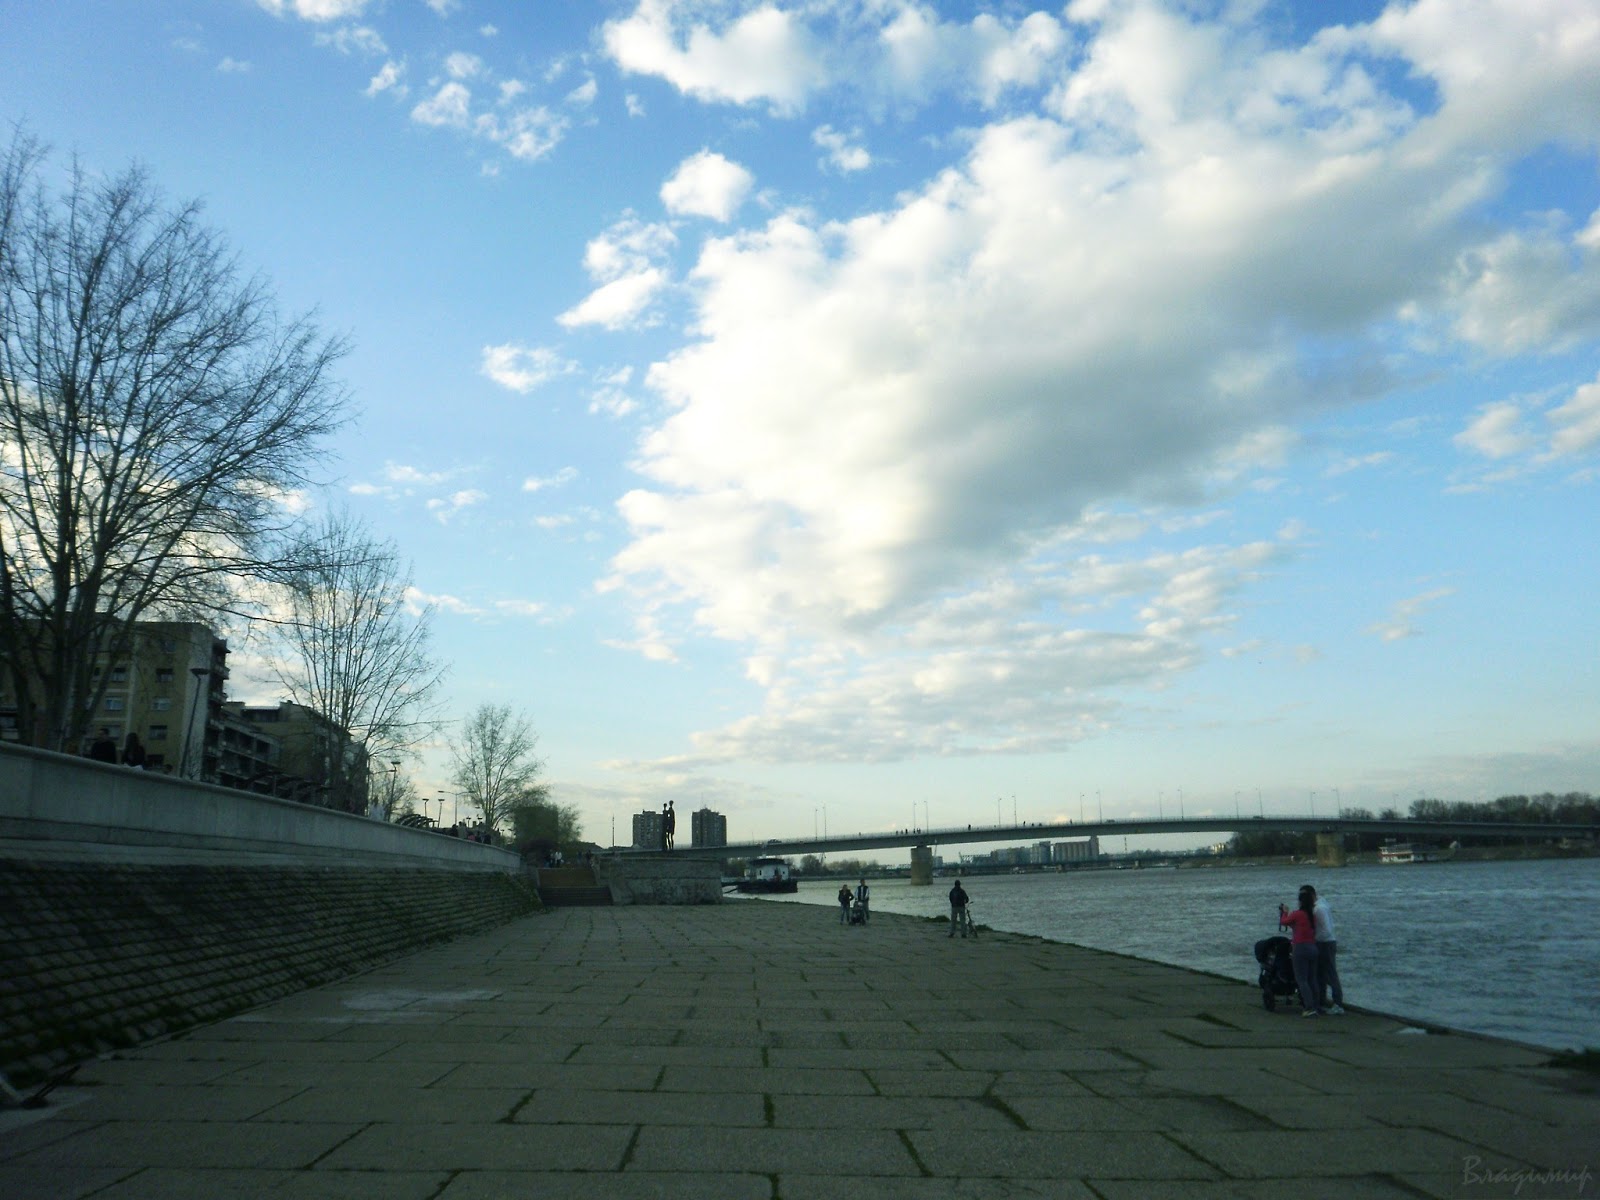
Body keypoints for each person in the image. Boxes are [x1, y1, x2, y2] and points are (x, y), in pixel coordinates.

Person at [1278, 885, 1322, 1017]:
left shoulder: (1297, 914)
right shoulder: (1311, 916)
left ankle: (1308, 1008)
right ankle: (1316, 1005)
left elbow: (1284, 922)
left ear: (1300, 901)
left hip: (1300, 948)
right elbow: (1300, 927)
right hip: (1313, 948)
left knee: (1301, 980)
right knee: (1312, 979)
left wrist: (1285, 911)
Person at [1313, 888, 1345, 1014]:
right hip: (1327, 942)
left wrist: (1314, 938)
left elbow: (1326, 930)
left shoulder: (1319, 909)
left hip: (1325, 943)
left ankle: (1337, 1003)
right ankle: (1323, 1001)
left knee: (1330, 974)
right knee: (1321, 974)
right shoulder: (1323, 905)